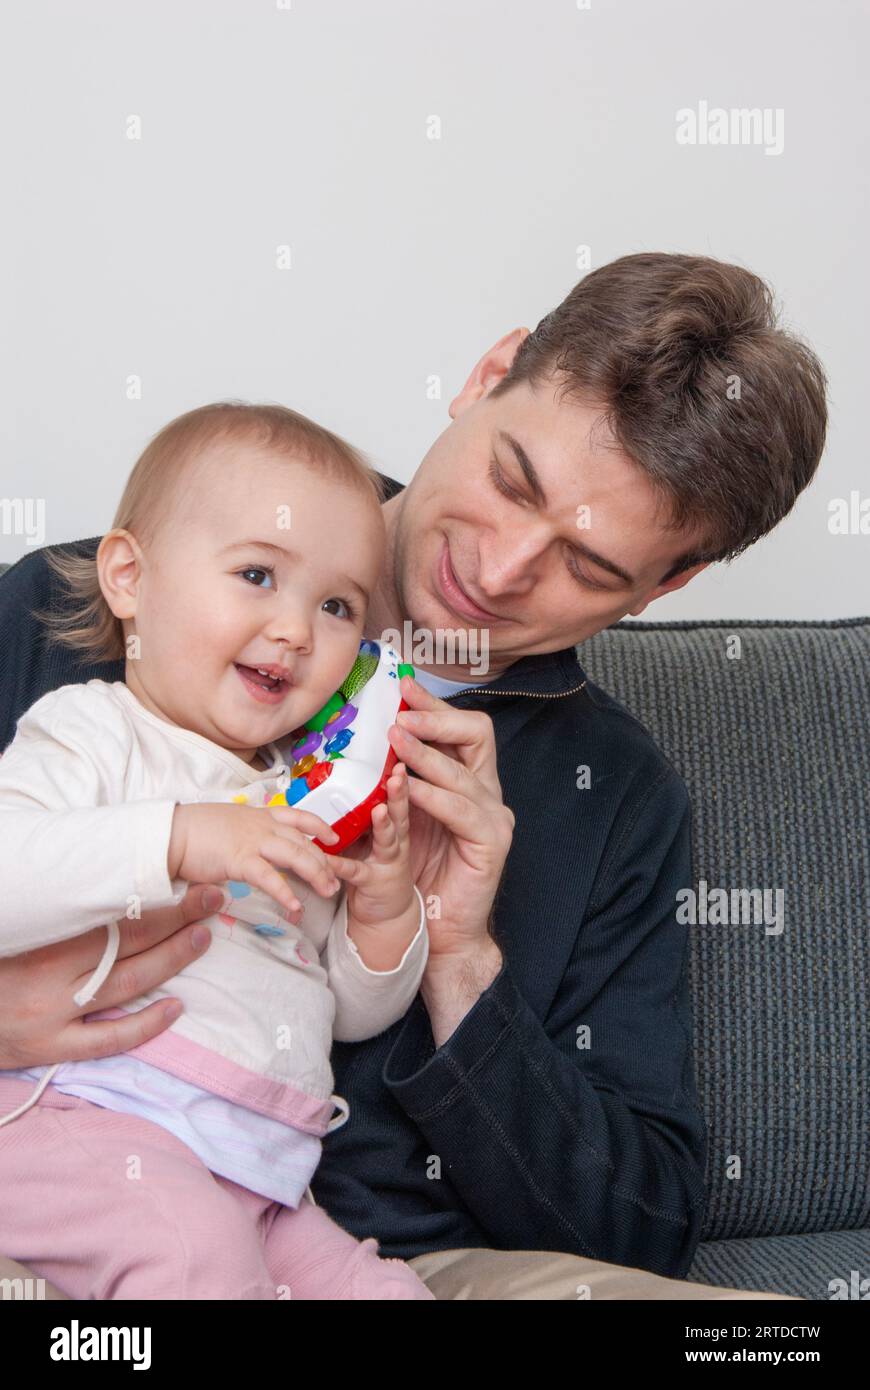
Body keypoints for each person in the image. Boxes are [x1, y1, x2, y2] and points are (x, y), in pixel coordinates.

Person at [0, 252, 826, 1300]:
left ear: (669, 586)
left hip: (390, 1259)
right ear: (488, 375)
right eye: (513, 481)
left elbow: (643, 1230)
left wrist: (460, 960)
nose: (500, 568)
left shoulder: (617, 793)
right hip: (62, 1182)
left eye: (588, 564)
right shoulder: (97, 602)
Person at [0, 402, 462, 1298]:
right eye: (257, 573)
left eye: (336, 605)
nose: (296, 629)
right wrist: (180, 836)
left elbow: (348, 1012)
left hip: (259, 1168)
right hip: (84, 1120)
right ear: (130, 578)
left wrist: (382, 909)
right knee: (191, 1262)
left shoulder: (291, 799)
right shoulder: (92, 732)